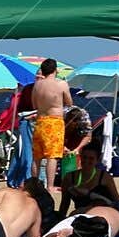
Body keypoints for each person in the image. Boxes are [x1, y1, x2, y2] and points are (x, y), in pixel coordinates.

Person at [30, 58, 73, 193]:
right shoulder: (61, 84)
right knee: (52, 156)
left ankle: (34, 184)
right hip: (54, 122)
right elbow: (69, 102)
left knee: (37, 157)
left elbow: (34, 104)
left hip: (40, 121)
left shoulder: (37, 85)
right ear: (55, 70)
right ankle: (49, 186)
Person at [57, 140, 119, 216]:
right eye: (84, 157)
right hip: (82, 215)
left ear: (97, 160)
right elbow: (64, 205)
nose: (86, 161)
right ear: (80, 157)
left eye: (91, 158)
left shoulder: (104, 177)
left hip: (104, 213)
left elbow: (117, 200)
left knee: (75, 213)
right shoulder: (69, 178)